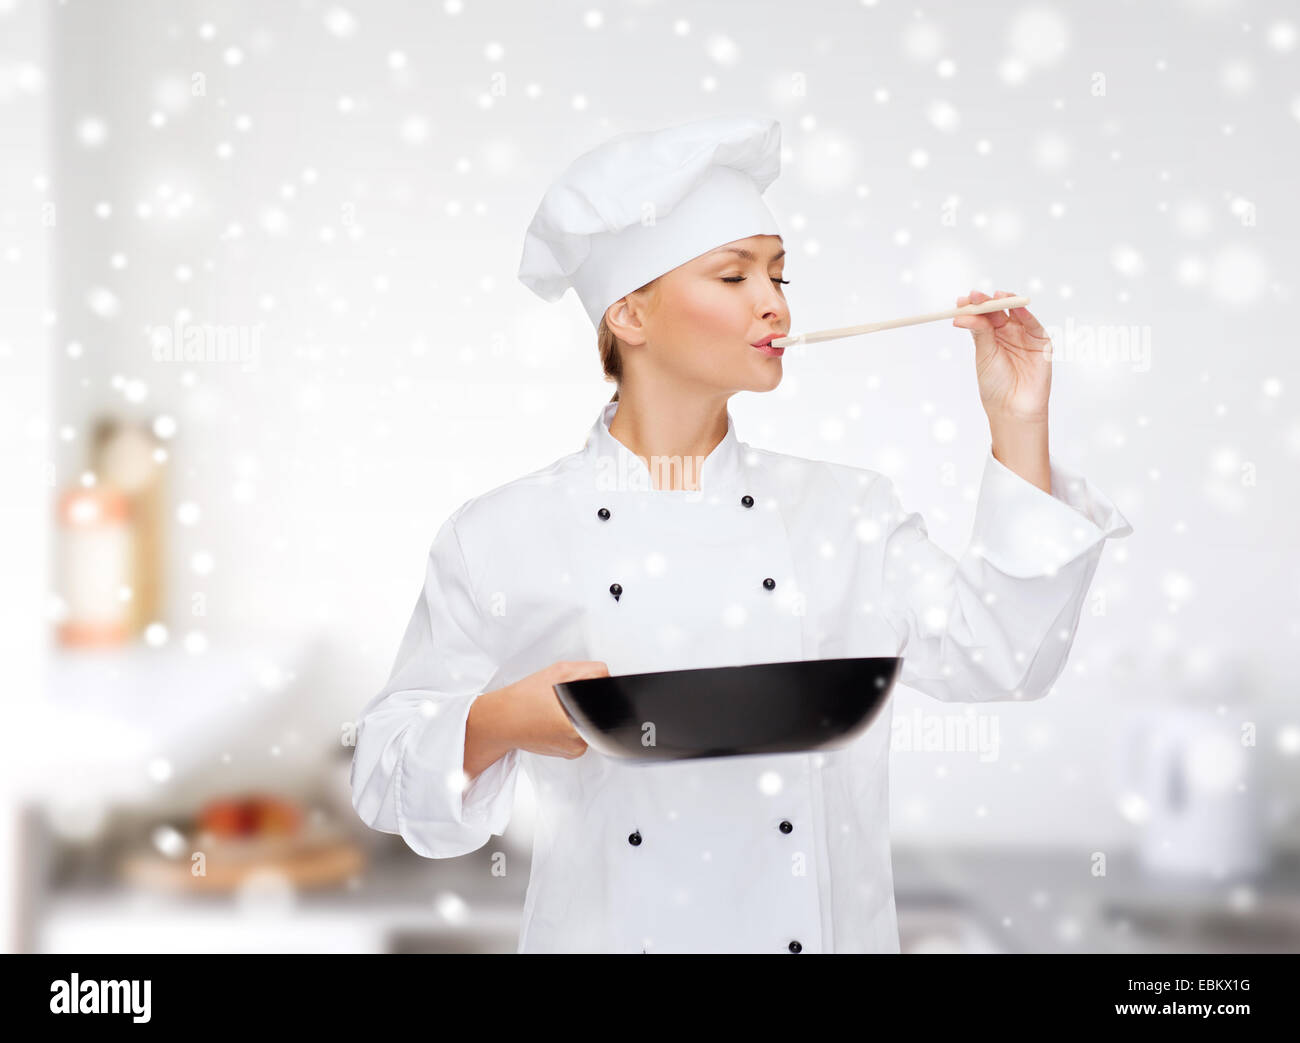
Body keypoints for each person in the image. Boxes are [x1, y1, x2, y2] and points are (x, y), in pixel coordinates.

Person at [350, 114, 1133, 953]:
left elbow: (1007, 657)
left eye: (780, 274)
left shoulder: (847, 512)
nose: (776, 304)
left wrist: (1020, 421)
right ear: (630, 316)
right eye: (734, 276)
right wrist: (496, 720)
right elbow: (384, 775)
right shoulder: (503, 534)